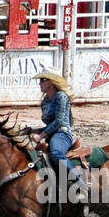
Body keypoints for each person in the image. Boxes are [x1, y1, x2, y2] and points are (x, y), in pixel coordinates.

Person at [29, 68, 85, 207]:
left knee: (56, 152)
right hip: (51, 133)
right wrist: (32, 130)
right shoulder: (45, 102)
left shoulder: (60, 96)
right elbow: (49, 124)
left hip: (62, 134)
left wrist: (41, 135)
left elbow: (60, 121)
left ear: (51, 83)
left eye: (43, 80)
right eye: (40, 80)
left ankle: (79, 182)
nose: (40, 83)